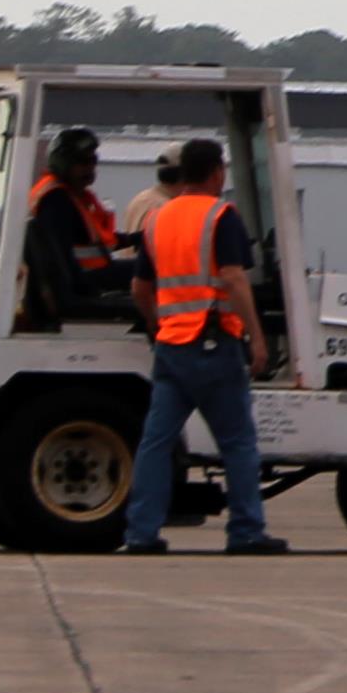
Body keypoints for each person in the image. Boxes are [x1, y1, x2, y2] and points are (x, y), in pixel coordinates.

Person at [117, 139, 286, 557]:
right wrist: (257, 338)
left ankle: (142, 533)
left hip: (172, 347)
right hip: (214, 344)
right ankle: (246, 531)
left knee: (156, 443)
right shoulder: (221, 216)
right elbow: (233, 278)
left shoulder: (157, 220)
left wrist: (160, 325)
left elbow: (140, 287)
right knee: (238, 443)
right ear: (215, 172)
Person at [19, 127, 138, 333]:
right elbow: (61, 260)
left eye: (93, 162)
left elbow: (102, 241)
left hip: (89, 275)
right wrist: (90, 291)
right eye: (83, 163)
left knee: (143, 268)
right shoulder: (56, 201)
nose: (90, 169)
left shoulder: (71, 196)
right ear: (64, 163)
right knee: (149, 271)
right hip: (84, 280)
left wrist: (138, 238)